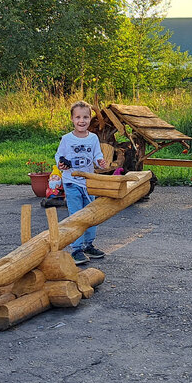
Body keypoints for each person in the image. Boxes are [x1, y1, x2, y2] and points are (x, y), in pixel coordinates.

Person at [55, 100, 107, 265]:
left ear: (90, 119)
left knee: (91, 215)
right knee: (77, 216)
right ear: (72, 119)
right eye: (77, 117)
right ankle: (76, 249)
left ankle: (88, 245)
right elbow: (59, 156)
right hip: (71, 182)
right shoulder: (66, 139)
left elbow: (97, 156)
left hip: (88, 183)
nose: (81, 121)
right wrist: (60, 164)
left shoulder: (93, 138)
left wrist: (100, 162)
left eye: (85, 117)